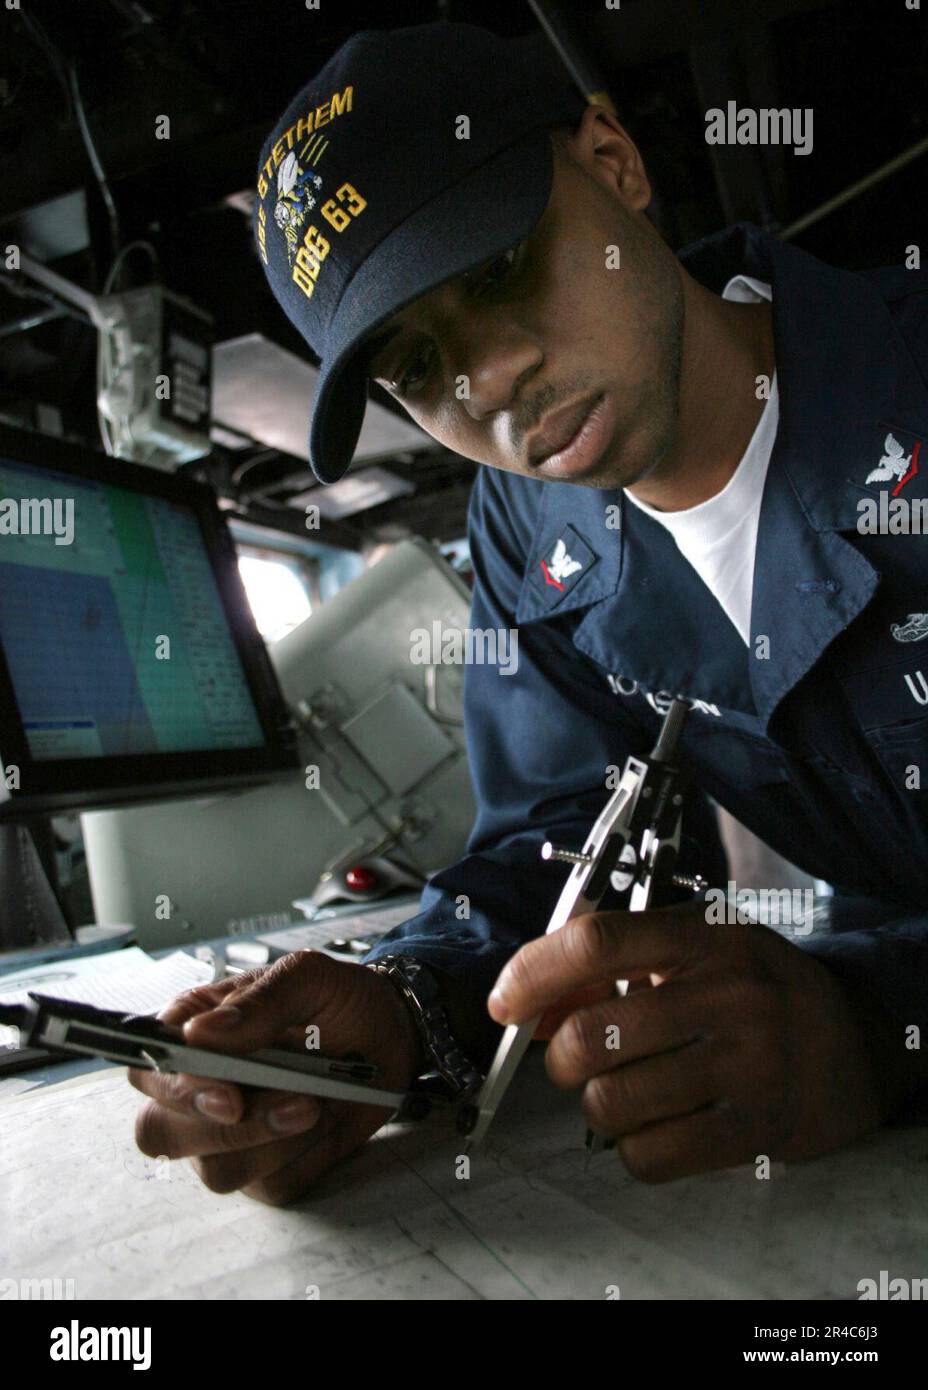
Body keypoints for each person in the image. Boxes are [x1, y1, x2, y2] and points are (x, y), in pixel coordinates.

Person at [131, 21, 928, 1205]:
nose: (483, 383)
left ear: (613, 162)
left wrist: (878, 1024)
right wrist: (411, 1009)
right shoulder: (527, 533)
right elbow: (562, 838)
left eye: (499, 265)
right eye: (414, 363)